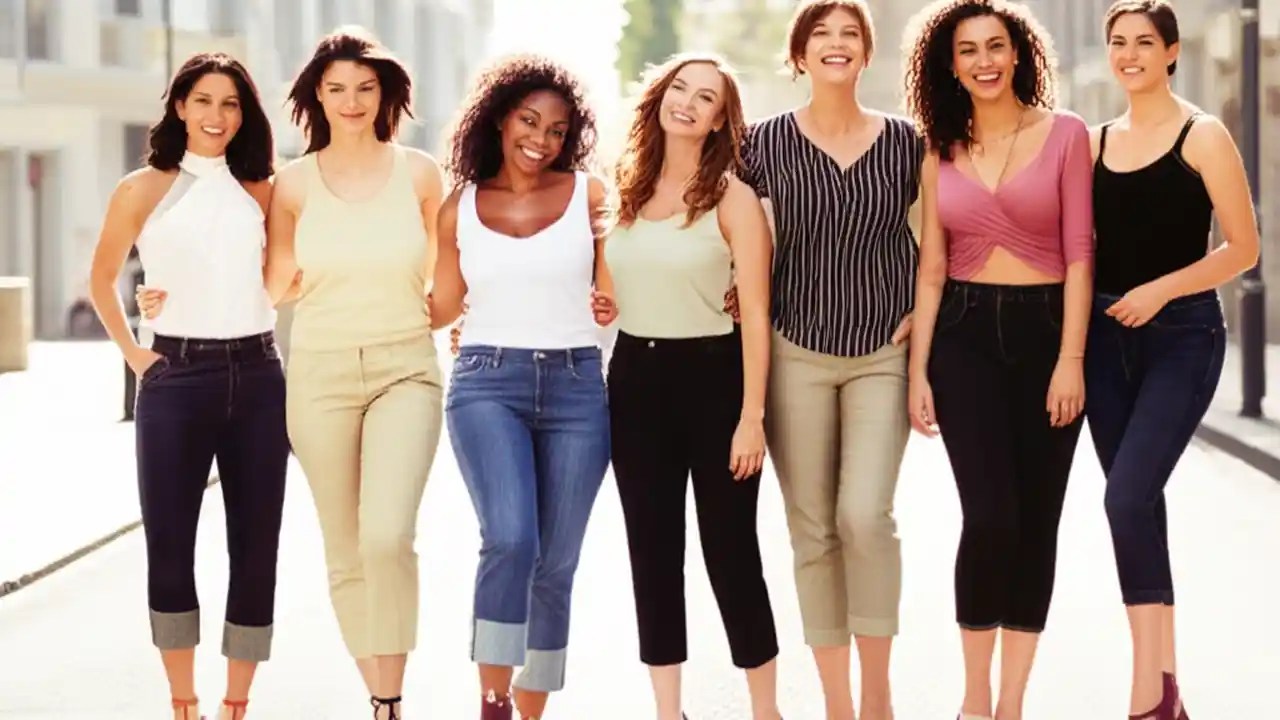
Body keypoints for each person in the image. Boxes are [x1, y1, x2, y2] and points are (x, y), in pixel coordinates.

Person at [901, 2, 1092, 719]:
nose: (984, 60)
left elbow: (1081, 254)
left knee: (1037, 519)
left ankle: (1013, 701)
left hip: (1049, 335)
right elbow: (931, 269)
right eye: (968, 50)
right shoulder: (938, 149)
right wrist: (919, 370)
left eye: (996, 46)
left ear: (1019, 55)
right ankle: (975, 697)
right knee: (989, 516)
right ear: (949, 64)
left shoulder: (1066, 134)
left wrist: (1071, 358)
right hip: (963, 336)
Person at [89, 52, 288, 720]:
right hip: (176, 378)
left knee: (256, 547)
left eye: (230, 104)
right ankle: (184, 703)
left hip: (260, 377)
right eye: (203, 101)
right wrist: (136, 356)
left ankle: (237, 703)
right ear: (179, 106)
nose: (216, 116)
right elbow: (101, 280)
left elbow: (283, 277)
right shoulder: (143, 188)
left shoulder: (264, 188)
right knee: (170, 544)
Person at [740, 2, 922, 718]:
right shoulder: (762, 144)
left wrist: (927, 321)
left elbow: (943, 241)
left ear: (866, 53)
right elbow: (725, 230)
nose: (837, 45)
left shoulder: (909, 143)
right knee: (812, 529)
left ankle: (877, 695)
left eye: (850, 35)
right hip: (795, 352)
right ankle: (838, 704)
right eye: (822, 36)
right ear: (800, 56)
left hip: (885, 349)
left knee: (865, 517)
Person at [1086, 3, 1260, 718]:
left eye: (1143, 43)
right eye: (1118, 43)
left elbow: (1244, 249)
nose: (1129, 55)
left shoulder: (1203, 134)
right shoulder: (1092, 140)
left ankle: (1145, 692)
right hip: (1103, 340)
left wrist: (1159, 290)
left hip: (1183, 338)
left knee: (1124, 497)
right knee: (1138, 507)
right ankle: (1168, 691)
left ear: (1172, 52)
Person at [428, 54, 613, 720]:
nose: (542, 138)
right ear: (502, 120)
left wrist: (613, 304)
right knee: (511, 538)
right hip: (486, 382)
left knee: (556, 564)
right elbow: (441, 307)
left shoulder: (592, 196)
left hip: (577, 389)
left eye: (558, 129)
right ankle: (493, 698)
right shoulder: (460, 206)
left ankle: (530, 713)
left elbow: (617, 291)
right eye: (529, 121)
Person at [606, 52, 780, 720]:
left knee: (731, 554)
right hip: (634, 381)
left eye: (704, 97)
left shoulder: (733, 198)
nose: (687, 102)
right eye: (679, 88)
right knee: (652, 555)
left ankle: (766, 709)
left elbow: (757, 312)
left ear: (717, 121)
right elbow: (615, 284)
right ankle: (668, 711)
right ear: (658, 98)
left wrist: (752, 415)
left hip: (715, 380)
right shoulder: (625, 185)